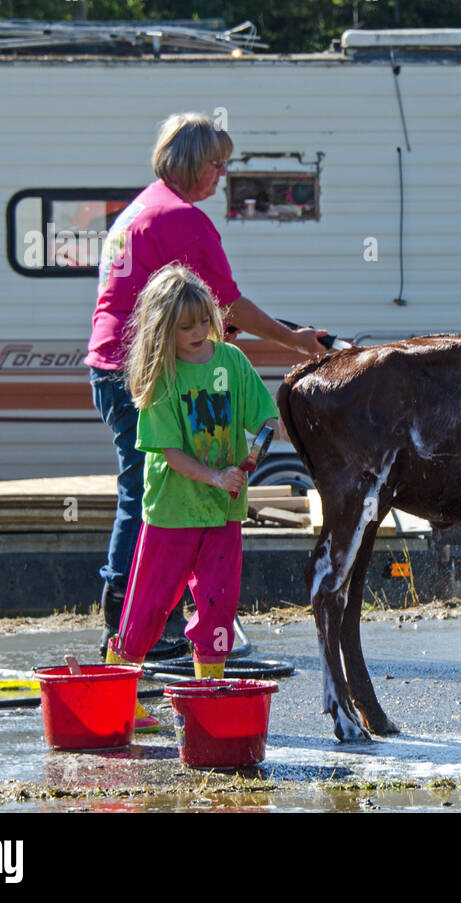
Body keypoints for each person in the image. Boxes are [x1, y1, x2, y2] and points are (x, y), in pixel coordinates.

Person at [86, 112, 326, 659]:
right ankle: (134, 621)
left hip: (111, 361)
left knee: (145, 482)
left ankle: (145, 618)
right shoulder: (181, 219)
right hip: (143, 368)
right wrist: (295, 342)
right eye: (217, 164)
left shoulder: (141, 206)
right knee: (151, 488)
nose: (222, 176)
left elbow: (205, 310)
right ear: (193, 162)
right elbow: (229, 303)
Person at [104, 264, 280, 731]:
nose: (199, 331)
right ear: (164, 330)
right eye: (186, 327)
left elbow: (266, 418)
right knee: (149, 606)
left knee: (219, 605)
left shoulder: (233, 362)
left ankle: (206, 694)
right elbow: (173, 455)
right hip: (172, 513)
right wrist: (217, 475)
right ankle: (117, 694)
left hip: (223, 512)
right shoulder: (162, 376)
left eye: (204, 320)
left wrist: (262, 446)